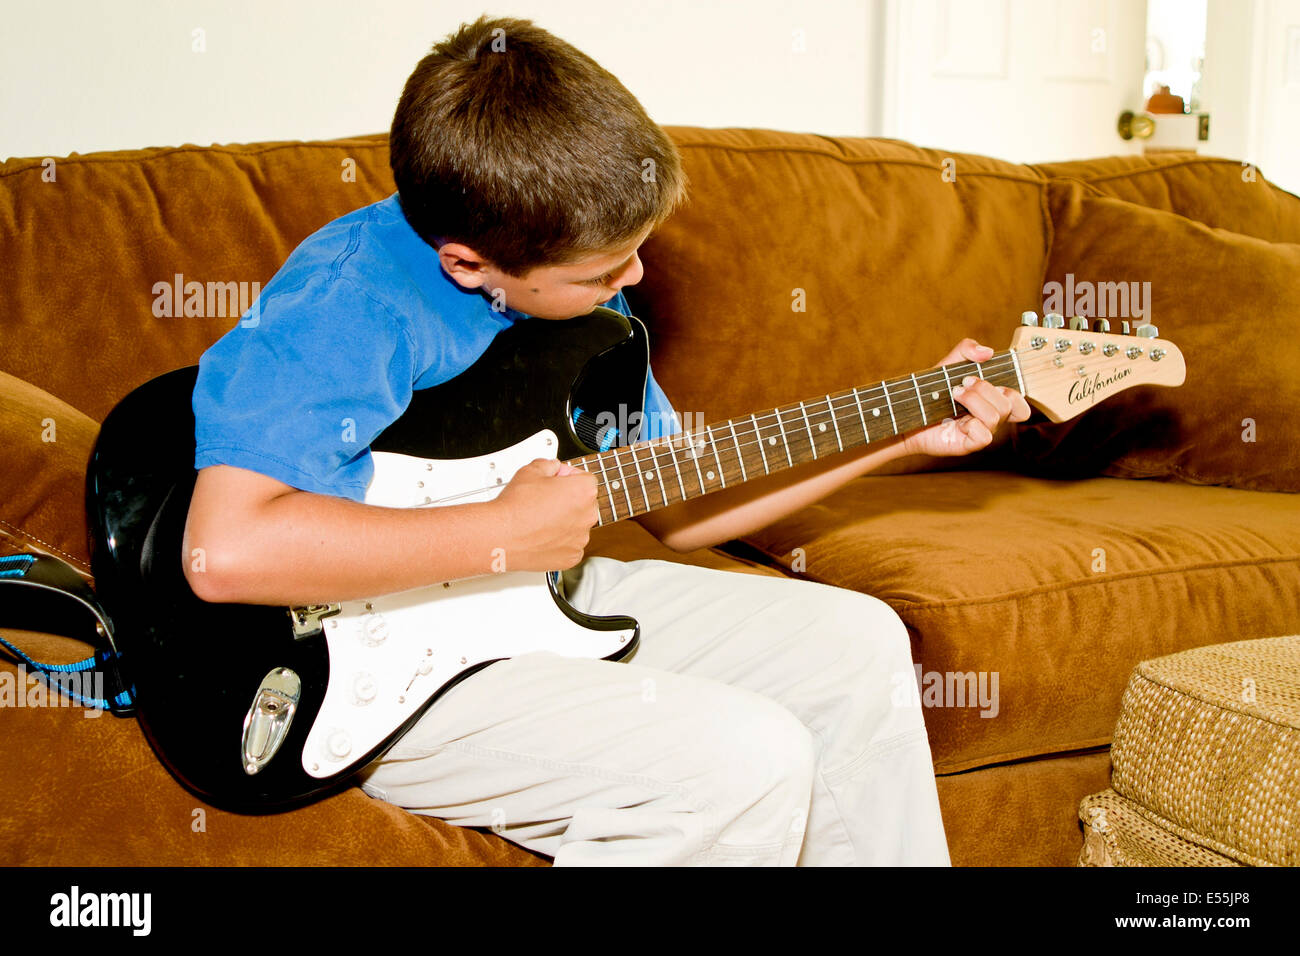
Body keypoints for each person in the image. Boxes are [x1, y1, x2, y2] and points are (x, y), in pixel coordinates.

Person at [183, 15, 1030, 866]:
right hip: (368, 670)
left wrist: (901, 436)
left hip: (537, 597)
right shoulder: (350, 301)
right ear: (468, 265)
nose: (634, 280)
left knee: (859, 642)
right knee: (745, 759)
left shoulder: (588, 315)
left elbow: (682, 511)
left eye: (634, 253)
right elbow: (224, 550)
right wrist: (498, 536)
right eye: (602, 271)